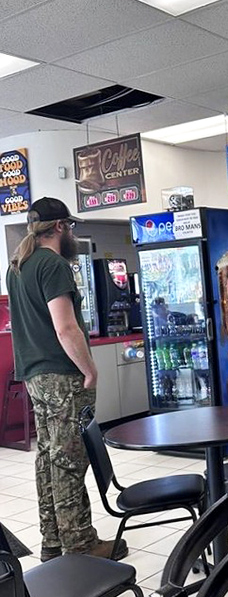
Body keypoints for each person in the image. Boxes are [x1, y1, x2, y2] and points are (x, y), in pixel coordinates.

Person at [6, 197, 128, 562]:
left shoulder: (18, 266)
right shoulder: (54, 265)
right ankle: (80, 543)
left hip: (33, 375)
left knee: (47, 455)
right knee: (70, 459)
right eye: (71, 226)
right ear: (60, 227)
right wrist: (89, 368)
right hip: (62, 375)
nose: (73, 233)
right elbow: (65, 327)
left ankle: (53, 541)